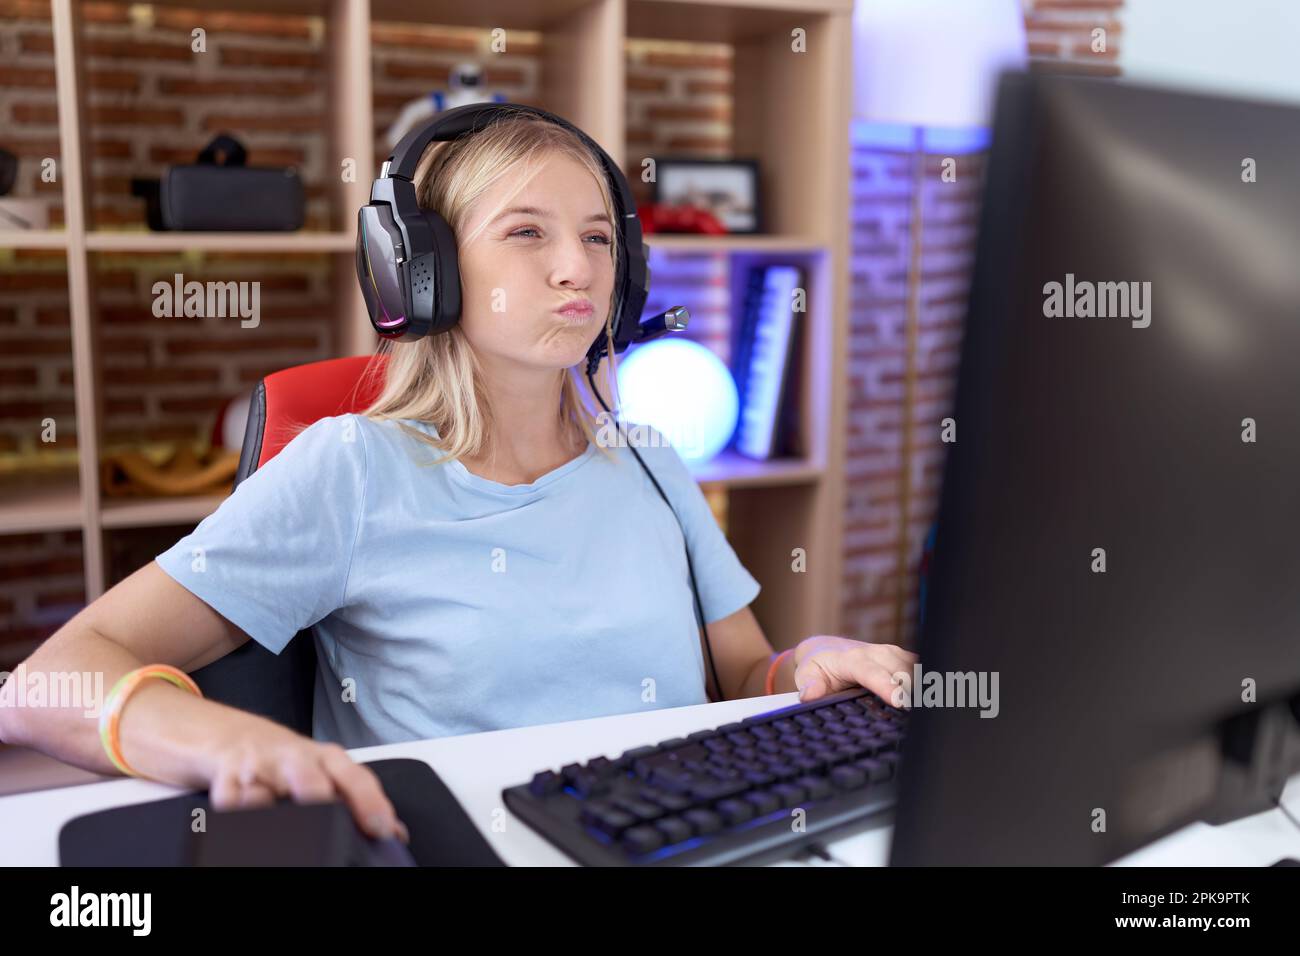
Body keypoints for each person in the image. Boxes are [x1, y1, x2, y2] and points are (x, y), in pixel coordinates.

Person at [0, 108, 917, 844]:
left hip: (668, 831)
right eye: (527, 231)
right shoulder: (351, 470)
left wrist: (810, 667)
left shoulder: (646, 453)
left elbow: (750, 668)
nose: (577, 269)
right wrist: (220, 738)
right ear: (423, 270)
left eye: (600, 239)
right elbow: (45, 685)